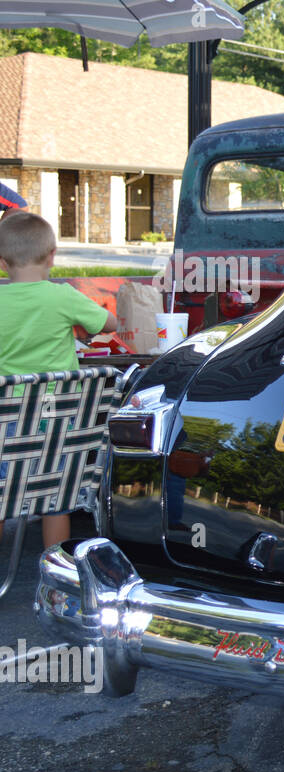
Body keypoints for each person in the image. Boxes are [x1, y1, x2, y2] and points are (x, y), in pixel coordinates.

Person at [0, 212, 117, 550]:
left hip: (6, 423)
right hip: (57, 422)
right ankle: (56, 569)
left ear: (3, 264)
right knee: (56, 501)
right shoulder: (63, 297)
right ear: (52, 255)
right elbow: (109, 324)